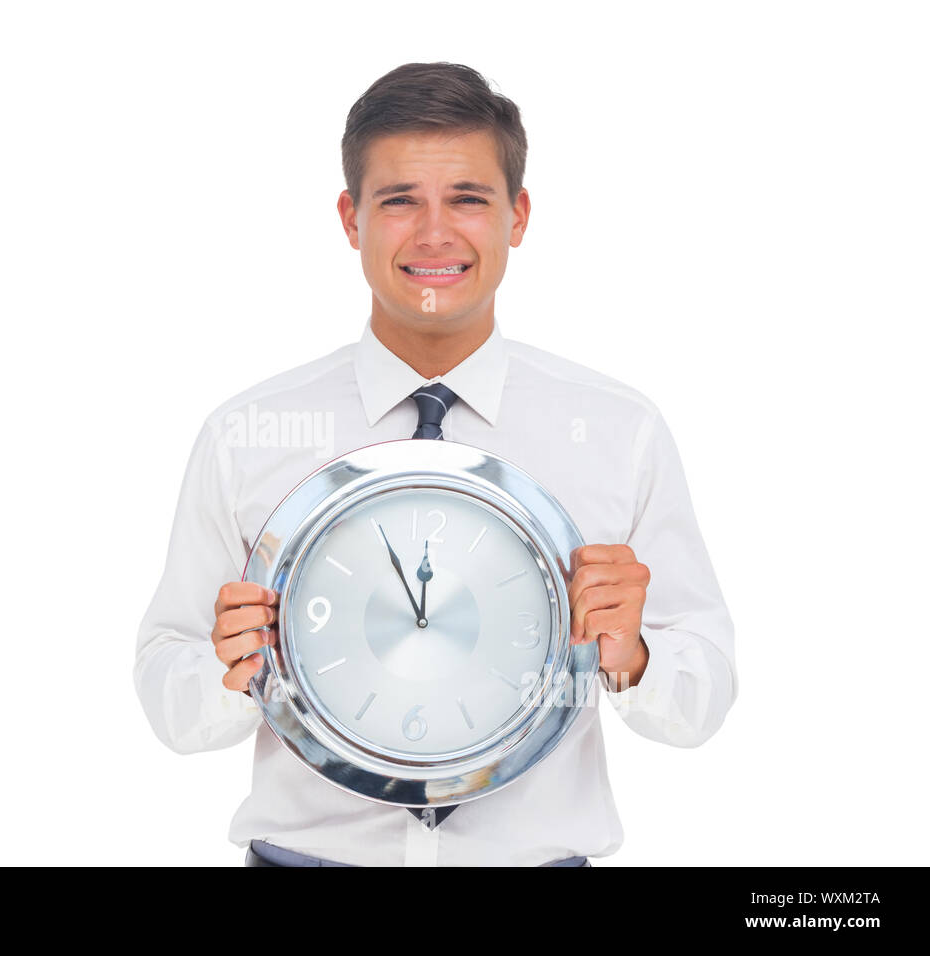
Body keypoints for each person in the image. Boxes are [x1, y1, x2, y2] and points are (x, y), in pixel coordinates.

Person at [133, 61, 737, 867]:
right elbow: (166, 684)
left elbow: (702, 701)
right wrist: (226, 669)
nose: (434, 234)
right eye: (399, 201)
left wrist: (634, 653)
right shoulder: (248, 434)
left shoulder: (618, 429)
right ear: (351, 219)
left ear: (517, 217)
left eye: (468, 199)